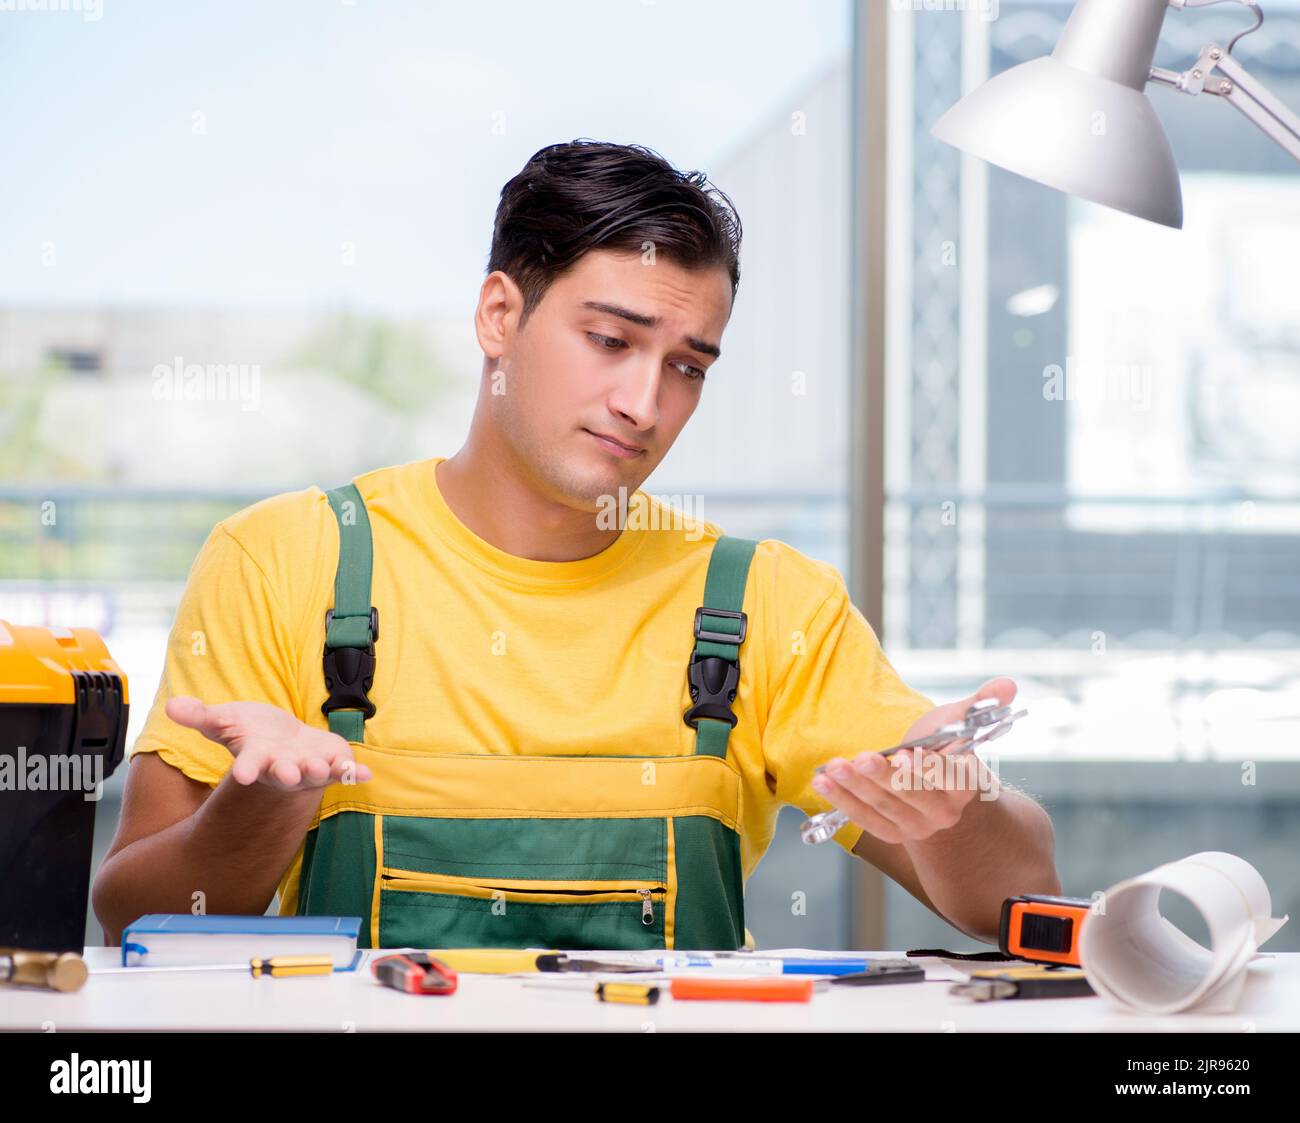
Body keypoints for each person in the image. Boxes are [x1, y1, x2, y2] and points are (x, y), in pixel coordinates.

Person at [92, 139, 1060, 951]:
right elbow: (132, 917)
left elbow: (1017, 900)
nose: (646, 404)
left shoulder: (763, 603)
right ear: (498, 317)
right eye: (610, 340)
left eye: (687, 366)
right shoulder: (286, 563)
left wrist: (955, 800)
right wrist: (261, 810)